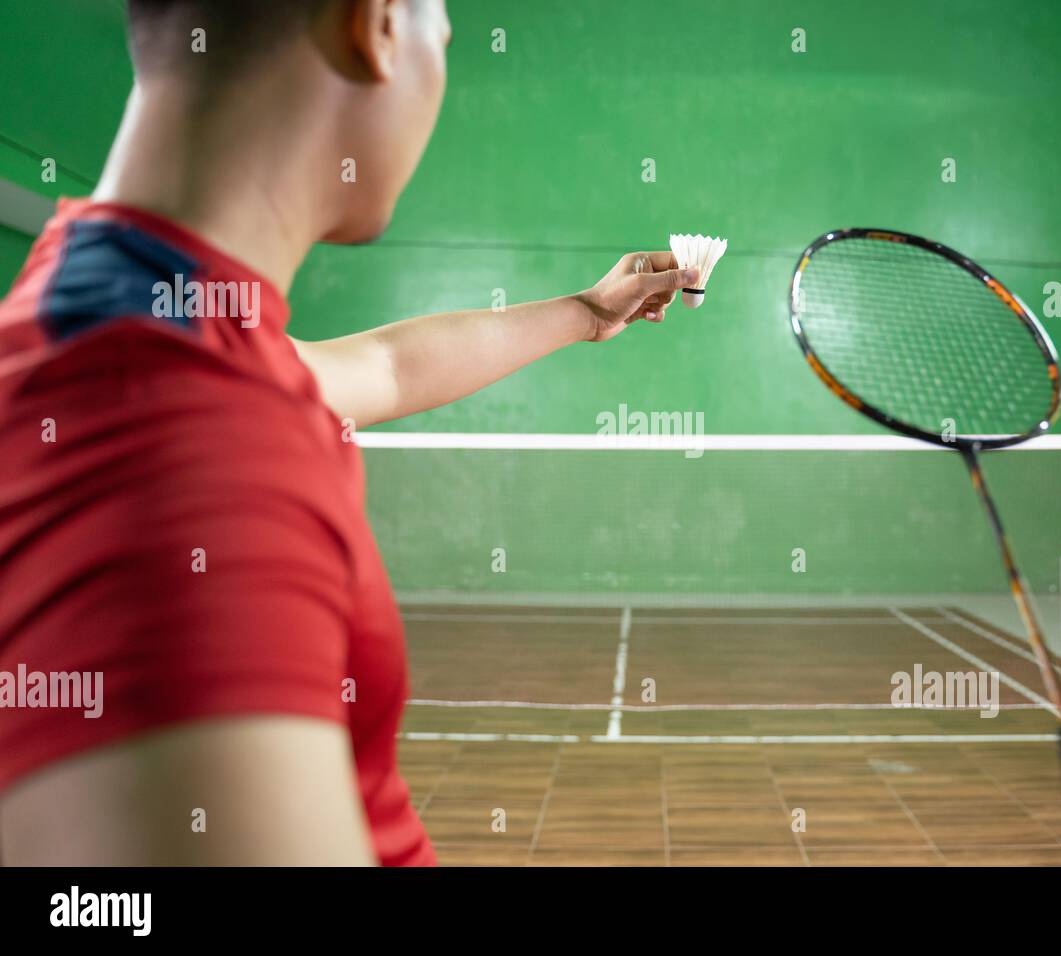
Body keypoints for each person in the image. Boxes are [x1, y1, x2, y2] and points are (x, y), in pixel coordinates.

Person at [0, 0, 696, 865]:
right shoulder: (182, 431)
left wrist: (588, 313)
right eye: (441, 37)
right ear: (374, 29)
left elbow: (385, 371)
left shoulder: (130, 305)